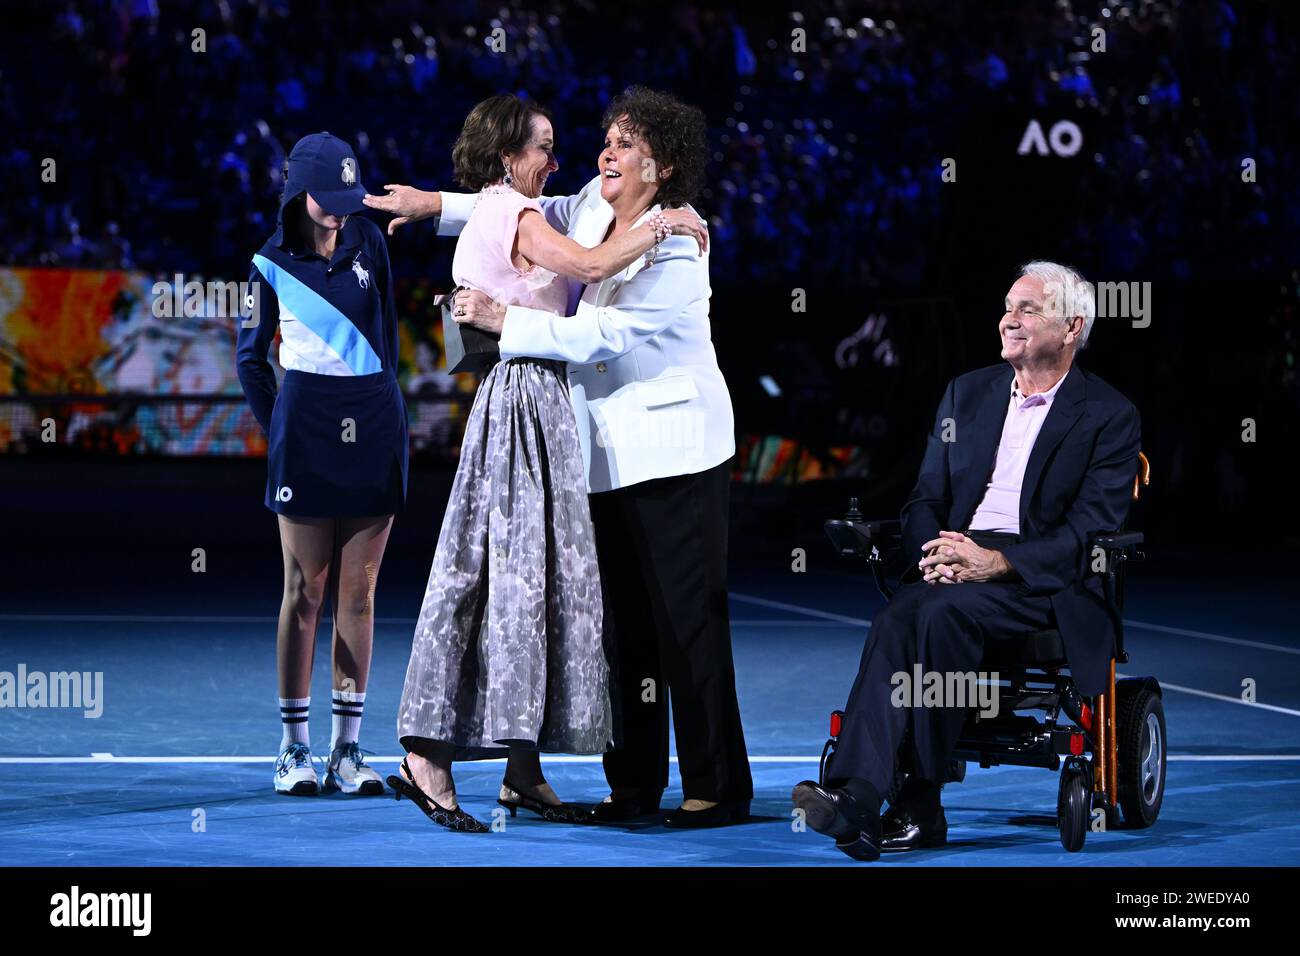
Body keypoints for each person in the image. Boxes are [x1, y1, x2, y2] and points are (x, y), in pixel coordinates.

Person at [366, 86, 752, 829]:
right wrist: (429, 206)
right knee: (621, 634)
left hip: (674, 454)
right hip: (599, 456)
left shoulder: (680, 244)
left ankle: (715, 788)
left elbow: (606, 337)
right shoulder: (591, 209)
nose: (605, 151)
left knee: (687, 624)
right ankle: (633, 785)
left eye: (626, 144)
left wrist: (505, 321)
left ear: (663, 167)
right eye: (606, 139)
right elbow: (512, 207)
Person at [792, 261, 1142, 860]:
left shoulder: (1110, 415)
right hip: (956, 556)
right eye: (1008, 306)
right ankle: (859, 795)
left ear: (1073, 325)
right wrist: (940, 553)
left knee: (932, 617)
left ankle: (919, 800)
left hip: (1043, 580)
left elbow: (1090, 531)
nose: (1009, 319)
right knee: (900, 617)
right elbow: (924, 497)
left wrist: (995, 565)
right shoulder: (967, 392)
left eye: (1028, 309)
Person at [236, 132, 403, 797]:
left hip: (374, 424)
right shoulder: (268, 262)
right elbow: (251, 359)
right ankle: (293, 750)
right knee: (305, 591)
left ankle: (349, 751)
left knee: (358, 596)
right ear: (297, 193)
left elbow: (387, 341)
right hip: (303, 432)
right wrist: (281, 429)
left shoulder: (372, 244)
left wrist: (386, 411)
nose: (339, 211)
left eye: (346, 198)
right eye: (327, 199)